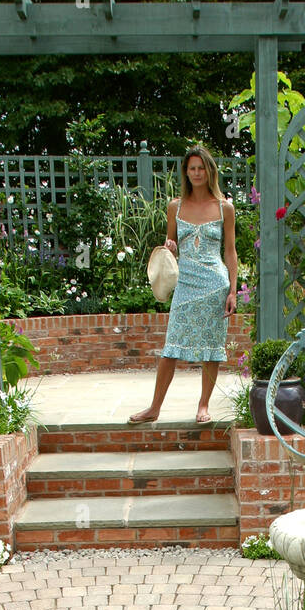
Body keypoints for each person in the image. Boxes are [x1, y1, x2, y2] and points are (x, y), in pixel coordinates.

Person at [129, 144, 237, 425]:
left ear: (209, 171)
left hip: (215, 283)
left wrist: (233, 290)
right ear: (186, 172)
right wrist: (171, 246)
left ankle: (203, 406)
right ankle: (154, 407)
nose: (197, 173)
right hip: (186, 282)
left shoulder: (225, 207)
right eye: (192, 168)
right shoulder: (175, 207)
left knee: (212, 347)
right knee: (171, 347)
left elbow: (230, 251)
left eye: (202, 168)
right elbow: (172, 247)